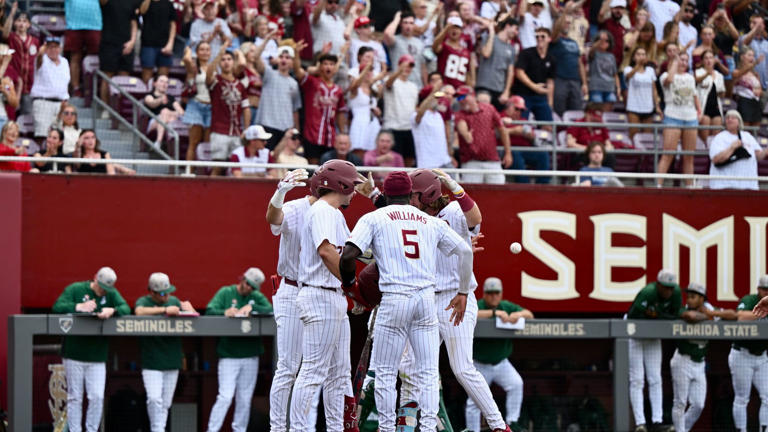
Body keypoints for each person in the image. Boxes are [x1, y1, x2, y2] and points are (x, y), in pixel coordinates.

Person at [340, 170, 474, 432]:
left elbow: (347, 256)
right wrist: (463, 292)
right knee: (428, 372)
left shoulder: (374, 217)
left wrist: (349, 286)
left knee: (385, 373)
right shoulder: (430, 221)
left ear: (386, 193)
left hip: (394, 298)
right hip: (425, 300)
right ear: (411, 193)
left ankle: (387, 428)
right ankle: (427, 427)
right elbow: (465, 251)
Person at [391, 168, 511, 432]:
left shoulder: (454, 211)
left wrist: (457, 189)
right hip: (427, 298)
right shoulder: (416, 217)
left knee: (462, 368)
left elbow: (475, 218)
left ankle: (499, 425)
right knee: (409, 363)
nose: (409, 199)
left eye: (413, 194)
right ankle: (407, 424)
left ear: (428, 195)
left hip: (456, 297)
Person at [289, 160, 361, 431]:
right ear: (342, 184)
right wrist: (351, 284)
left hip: (331, 296)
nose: (355, 190)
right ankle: (297, 429)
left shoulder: (335, 214)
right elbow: (326, 251)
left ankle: (336, 428)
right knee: (313, 371)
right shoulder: (322, 210)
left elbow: (356, 252)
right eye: (353, 184)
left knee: (340, 373)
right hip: (320, 294)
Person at [265, 168, 317, 432]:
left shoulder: (333, 212)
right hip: (292, 287)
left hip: (319, 291)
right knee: (288, 366)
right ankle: (277, 428)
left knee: (314, 369)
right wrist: (280, 193)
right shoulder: (297, 207)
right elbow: (273, 219)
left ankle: (305, 427)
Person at [51, 267, 131, 432]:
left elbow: (126, 308)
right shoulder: (76, 288)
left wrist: (113, 310)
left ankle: (92, 429)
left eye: (107, 288)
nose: (103, 291)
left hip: (97, 356)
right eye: (101, 287)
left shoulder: (111, 293)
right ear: (95, 278)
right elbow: (57, 306)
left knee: (97, 397)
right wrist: (78, 306)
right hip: (74, 353)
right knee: (75, 397)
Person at [205, 267, 273, 432]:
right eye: (248, 284)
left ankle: (239, 430)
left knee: (244, 398)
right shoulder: (226, 292)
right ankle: (212, 430)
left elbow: (270, 309)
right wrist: (225, 312)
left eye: (253, 287)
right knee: (225, 396)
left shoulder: (255, 296)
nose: (249, 288)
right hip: (229, 354)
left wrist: (253, 308)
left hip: (250, 355)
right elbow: (210, 310)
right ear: (242, 279)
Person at [465, 277, 533, 432]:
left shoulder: (506, 306)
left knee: (516, 384)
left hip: (501, 363)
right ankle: (472, 430)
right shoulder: (478, 304)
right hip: (479, 364)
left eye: (496, 293)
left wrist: (518, 315)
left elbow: (529, 314)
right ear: (484, 294)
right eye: (490, 293)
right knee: (474, 400)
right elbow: (470, 313)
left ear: (501, 293)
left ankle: (512, 422)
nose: (493, 296)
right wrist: (494, 313)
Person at [135, 272, 198, 432]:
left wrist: (189, 309)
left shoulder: (174, 301)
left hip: (172, 360)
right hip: (152, 362)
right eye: (163, 293)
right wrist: (164, 310)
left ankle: (158, 429)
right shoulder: (144, 301)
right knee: (154, 399)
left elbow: (193, 317)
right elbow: (138, 311)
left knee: (166, 403)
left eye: (168, 292)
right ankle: (157, 429)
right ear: (152, 292)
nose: (167, 296)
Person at [670, 282, 736, 432]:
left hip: (699, 364)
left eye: (693, 297)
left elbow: (733, 315)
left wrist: (713, 313)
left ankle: (682, 429)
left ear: (702, 299)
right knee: (680, 402)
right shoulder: (683, 308)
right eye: (688, 296)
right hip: (682, 360)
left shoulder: (710, 309)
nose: (689, 299)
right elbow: (691, 316)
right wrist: (708, 316)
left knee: (699, 404)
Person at [627, 269, 681, 432]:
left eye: (671, 288)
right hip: (635, 334)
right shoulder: (648, 292)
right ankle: (640, 423)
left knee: (655, 378)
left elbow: (675, 315)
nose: (668, 291)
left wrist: (656, 315)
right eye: (665, 287)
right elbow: (633, 315)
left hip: (653, 336)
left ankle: (657, 421)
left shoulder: (676, 293)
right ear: (658, 284)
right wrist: (658, 316)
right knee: (637, 379)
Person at [294, 44, 347, 163]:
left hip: (330, 137)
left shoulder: (338, 90)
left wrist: (342, 132)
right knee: (314, 168)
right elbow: (298, 72)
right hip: (312, 134)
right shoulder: (312, 83)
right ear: (320, 66)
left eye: (332, 64)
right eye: (325, 64)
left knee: (328, 168)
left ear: (335, 68)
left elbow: (340, 113)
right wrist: (296, 54)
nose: (328, 67)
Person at [729, 274, 768, 432]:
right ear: (758, 289)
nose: (767, 293)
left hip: (762, 356)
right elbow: (740, 316)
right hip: (742, 354)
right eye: (765, 290)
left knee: (767, 396)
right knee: (742, 398)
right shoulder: (750, 300)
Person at [206, 40, 250, 176]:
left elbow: (246, 108)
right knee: (218, 167)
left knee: (236, 169)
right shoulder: (216, 81)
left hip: (237, 132)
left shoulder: (240, 85)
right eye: (223, 60)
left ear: (233, 62)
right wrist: (220, 53)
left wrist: (246, 129)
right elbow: (209, 73)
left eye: (229, 59)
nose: (226, 62)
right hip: (219, 131)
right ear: (219, 63)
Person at [657, 52, 700, 187]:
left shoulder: (690, 78)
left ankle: (689, 186)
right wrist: (674, 63)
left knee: (689, 156)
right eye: (681, 60)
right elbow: (669, 81)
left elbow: (694, 96)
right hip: (672, 117)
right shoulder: (665, 75)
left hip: (690, 117)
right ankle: (658, 185)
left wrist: (699, 112)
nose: (683, 63)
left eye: (686, 61)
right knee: (668, 154)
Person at [454, 86, 511, 184]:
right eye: (458, 98)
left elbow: (502, 130)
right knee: (472, 192)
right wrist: (466, 134)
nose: (460, 101)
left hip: (492, 160)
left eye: (462, 97)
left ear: (472, 96)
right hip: (471, 162)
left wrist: (508, 153)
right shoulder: (459, 114)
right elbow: (462, 128)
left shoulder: (489, 109)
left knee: (499, 190)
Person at [253, 41, 301, 149]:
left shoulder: (294, 83)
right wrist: (267, 39)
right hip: (267, 124)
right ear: (277, 59)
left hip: (286, 128)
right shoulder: (269, 74)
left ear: (292, 62)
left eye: (287, 57)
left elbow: (295, 110)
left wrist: (296, 131)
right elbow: (256, 57)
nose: (284, 60)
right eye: (281, 57)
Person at [98, 0, 140, 112]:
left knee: (124, 78)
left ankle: (120, 110)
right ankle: (105, 109)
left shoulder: (131, 2)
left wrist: (132, 42)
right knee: (107, 76)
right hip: (109, 44)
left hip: (127, 45)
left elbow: (134, 23)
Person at [709, 110, 767, 190]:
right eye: (727, 118)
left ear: (739, 122)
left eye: (733, 117)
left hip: (749, 185)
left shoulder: (748, 136)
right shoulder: (719, 138)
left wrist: (766, 151)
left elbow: (758, 156)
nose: (730, 119)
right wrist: (732, 148)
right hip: (725, 186)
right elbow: (716, 159)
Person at [502, 95, 550, 184]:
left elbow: (534, 139)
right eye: (516, 109)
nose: (519, 112)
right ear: (508, 107)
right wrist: (512, 131)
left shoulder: (524, 120)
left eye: (521, 110)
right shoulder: (500, 117)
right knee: (516, 154)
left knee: (543, 154)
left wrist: (531, 137)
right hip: (507, 150)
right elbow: (495, 134)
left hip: (524, 150)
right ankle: (524, 184)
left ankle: (543, 184)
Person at [514, 27, 555, 130]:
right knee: (521, 125)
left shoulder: (552, 58)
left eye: (543, 36)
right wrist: (534, 87)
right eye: (537, 36)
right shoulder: (526, 53)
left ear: (549, 39)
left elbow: (550, 81)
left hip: (541, 97)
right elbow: (519, 73)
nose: (539, 39)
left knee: (549, 127)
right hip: (524, 95)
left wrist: (550, 103)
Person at [30, 36, 70, 139]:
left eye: (55, 47)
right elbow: (39, 57)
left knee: (59, 136)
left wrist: (65, 101)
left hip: (61, 104)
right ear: (46, 49)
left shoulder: (64, 62)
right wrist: (41, 51)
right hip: (43, 102)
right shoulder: (42, 59)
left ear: (60, 48)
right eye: (50, 47)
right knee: (42, 135)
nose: (53, 50)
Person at [383, 54, 419, 167]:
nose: (407, 68)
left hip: (409, 128)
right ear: (399, 65)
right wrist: (399, 71)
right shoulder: (392, 81)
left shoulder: (413, 86)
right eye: (405, 65)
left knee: (409, 160)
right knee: (393, 161)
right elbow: (388, 84)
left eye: (410, 66)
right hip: (393, 127)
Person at [476, 17, 518, 110]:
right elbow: (486, 53)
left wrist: (506, 92)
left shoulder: (511, 49)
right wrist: (491, 33)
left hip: (499, 90)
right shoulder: (487, 38)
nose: (516, 32)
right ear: (507, 26)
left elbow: (510, 72)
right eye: (516, 29)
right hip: (484, 86)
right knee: (483, 114)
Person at [549, 15, 587, 116]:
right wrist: (564, 13)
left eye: (569, 23)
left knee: (577, 111)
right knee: (559, 109)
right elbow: (555, 32)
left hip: (575, 81)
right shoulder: (555, 40)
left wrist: (584, 83)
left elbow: (580, 63)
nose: (567, 24)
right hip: (560, 79)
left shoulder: (574, 42)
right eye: (565, 22)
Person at [63, 0, 103, 97]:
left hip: (95, 24)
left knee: (93, 59)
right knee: (75, 57)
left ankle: (92, 88)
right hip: (74, 25)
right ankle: (75, 88)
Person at [181, 42, 213, 161]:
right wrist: (188, 49)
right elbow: (186, 59)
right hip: (196, 105)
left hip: (211, 107)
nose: (205, 52)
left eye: (207, 49)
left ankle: (204, 170)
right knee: (193, 142)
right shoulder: (193, 69)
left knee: (207, 143)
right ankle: (189, 169)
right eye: (202, 50)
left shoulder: (215, 68)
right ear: (197, 53)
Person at [347, 59, 384, 158]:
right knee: (359, 152)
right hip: (360, 122)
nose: (369, 73)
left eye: (371, 71)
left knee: (373, 153)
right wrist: (366, 67)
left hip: (373, 123)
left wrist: (378, 112)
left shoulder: (374, 90)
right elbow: (356, 84)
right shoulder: (356, 89)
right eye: (366, 71)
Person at [411, 84, 454, 169]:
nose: (438, 100)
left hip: (445, 161)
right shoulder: (415, 115)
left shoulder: (438, 115)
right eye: (436, 97)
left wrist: (449, 154)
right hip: (429, 165)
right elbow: (420, 113)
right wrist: (432, 94)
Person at [4, 9, 39, 109]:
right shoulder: (11, 38)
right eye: (19, 20)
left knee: (27, 114)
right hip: (12, 84)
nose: (21, 24)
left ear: (29, 24)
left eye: (24, 21)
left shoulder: (35, 41)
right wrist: (11, 14)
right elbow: (5, 33)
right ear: (14, 23)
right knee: (11, 112)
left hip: (29, 85)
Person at [384, 11, 427, 88]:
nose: (408, 26)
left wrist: (426, 85)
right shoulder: (395, 40)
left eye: (411, 23)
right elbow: (387, 33)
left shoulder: (420, 43)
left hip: (417, 85)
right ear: (400, 24)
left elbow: (423, 67)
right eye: (405, 23)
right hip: (398, 84)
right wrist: (397, 19)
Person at [624, 47, 661, 138]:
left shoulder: (650, 70)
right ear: (633, 57)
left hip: (648, 107)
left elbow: (654, 89)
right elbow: (629, 76)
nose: (641, 56)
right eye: (638, 54)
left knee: (647, 136)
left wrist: (657, 105)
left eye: (643, 54)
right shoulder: (628, 69)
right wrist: (638, 65)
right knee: (633, 134)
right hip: (633, 107)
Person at [139, 0, 177, 84]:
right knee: (147, 75)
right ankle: (147, 92)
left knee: (163, 77)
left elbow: (173, 25)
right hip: (148, 44)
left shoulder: (168, 4)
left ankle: (160, 92)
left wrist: (170, 44)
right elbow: (141, 11)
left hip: (165, 44)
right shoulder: (145, 2)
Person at [144, 75, 185, 147]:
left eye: (166, 82)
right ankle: (159, 141)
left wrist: (170, 113)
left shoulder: (171, 98)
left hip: (171, 121)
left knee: (166, 113)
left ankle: (158, 143)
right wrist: (160, 100)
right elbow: (152, 103)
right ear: (154, 83)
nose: (164, 84)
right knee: (164, 112)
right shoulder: (149, 96)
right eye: (161, 81)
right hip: (155, 121)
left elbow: (181, 112)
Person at [434, 16, 474, 89]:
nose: (454, 30)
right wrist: (445, 29)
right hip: (443, 88)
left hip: (460, 90)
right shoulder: (443, 47)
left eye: (457, 28)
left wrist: (470, 88)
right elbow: (435, 46)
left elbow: (467, 73)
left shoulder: (466, 52)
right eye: (451, 28)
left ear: (461, 30)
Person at [694, 50, 725, 142]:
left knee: (716, 136)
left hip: (716, 107)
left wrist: (721, 92)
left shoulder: (719, 75)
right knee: (705, 134)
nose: (709, 60)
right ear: (702, 61)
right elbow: (697, 80)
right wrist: (707, 73)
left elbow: (722, 94)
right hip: (704, 107)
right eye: (706, 58)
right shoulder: (698, 72)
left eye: (711, 58)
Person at [588, 30, 621, 112]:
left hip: (610, 87)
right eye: (601, 40)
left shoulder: (611, 56)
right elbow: (590, 50)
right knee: (596, 111)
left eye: (606, 40)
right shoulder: (593, 53)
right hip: (596, 87)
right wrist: (599, 41)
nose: (603, 42)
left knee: (607, 111)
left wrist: (618, 87)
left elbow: (615, 74)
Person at [732, 47, 763, 128]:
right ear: (742, 57)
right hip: (744, 101)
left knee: (755, 129)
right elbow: (738, 74)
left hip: (756, 102)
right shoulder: (736, 71)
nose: (752, 58)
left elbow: (761, 91)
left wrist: (759, 92)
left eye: (753, 56)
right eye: (749, 55)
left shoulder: (755, 74)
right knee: (745, 129)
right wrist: (755, 63)